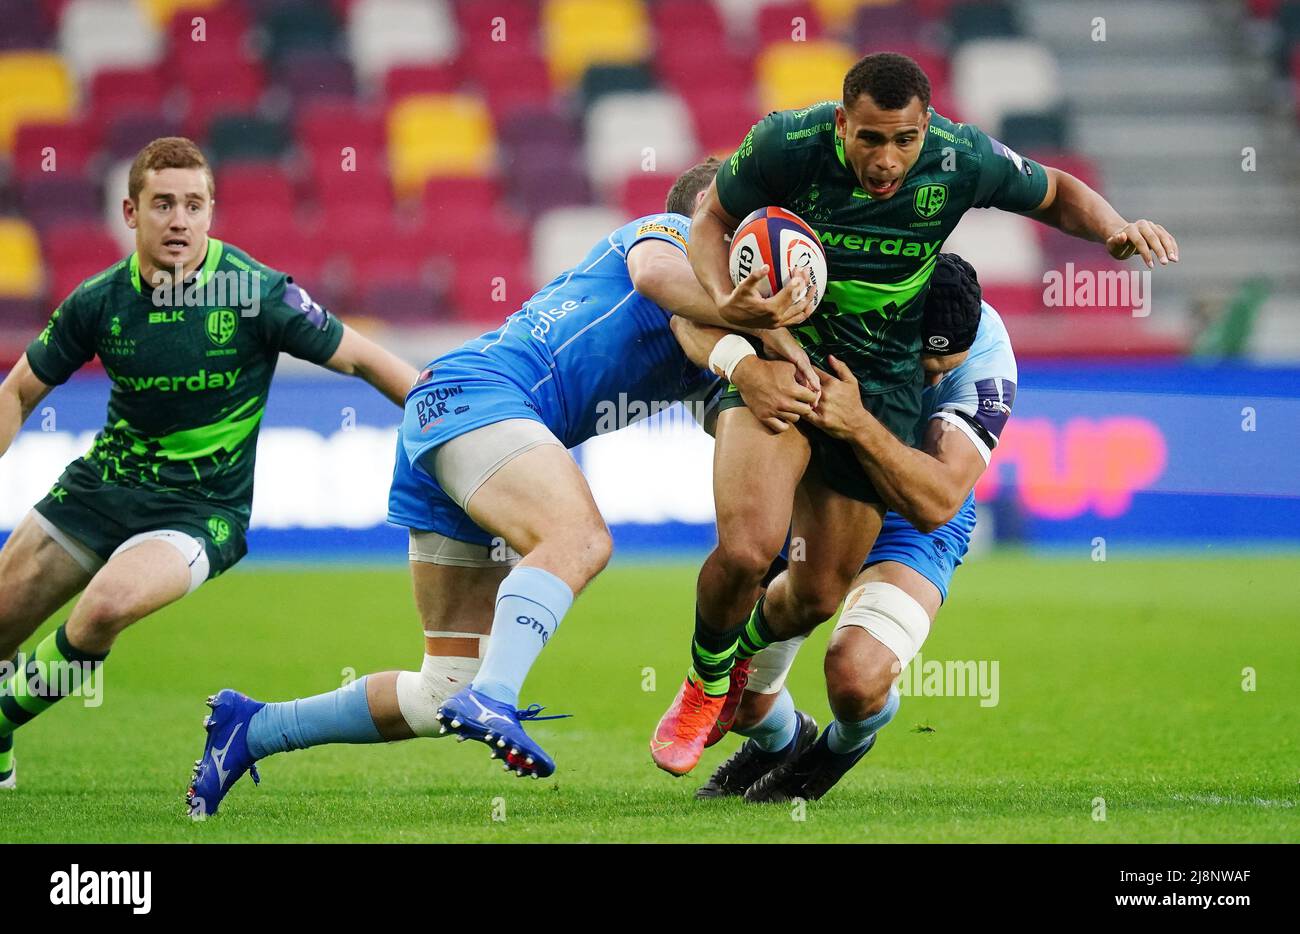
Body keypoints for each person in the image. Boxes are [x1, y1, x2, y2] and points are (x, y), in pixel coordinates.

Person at [186, 158, 818, 816]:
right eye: (734, 228)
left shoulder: (713, 342)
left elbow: (731, 420)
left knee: (441, 689)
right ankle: (496, 697)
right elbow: (654, 275)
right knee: (578, 539)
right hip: (481, 398)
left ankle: (250, 728)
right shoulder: (663, 235)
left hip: (465, 426)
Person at [651, 51, 1179, 776]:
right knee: (747, 549)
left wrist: (1113, 228)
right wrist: (728, 299)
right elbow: (711, 217)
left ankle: (770, 698)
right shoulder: (786, 144)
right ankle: (704, 685)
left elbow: (1053, 191)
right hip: (783, 358)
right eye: (870, 138)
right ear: (842, 122)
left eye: (903, 139)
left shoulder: (959, 161)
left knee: (816, 593)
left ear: (925, 126)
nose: (887, 159)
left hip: (877, 391)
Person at [0, 137, 417, 791]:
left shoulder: (254, 292)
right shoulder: (99, 301)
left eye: (194, 205)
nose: (179, 220)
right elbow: (20, 390)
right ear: (130, 212)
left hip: (202, 511)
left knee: (105, 607)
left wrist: (446, 417)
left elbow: (365, 358)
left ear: (211, 213)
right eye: (162, 204)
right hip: (102, 487)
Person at [698, 254, 1017, 802]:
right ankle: (781, 740)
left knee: (855, 680)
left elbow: (937, 500)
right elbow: (696, 316)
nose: (930, 379)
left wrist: (859, 422)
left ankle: (843, 745)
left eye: (944, 370)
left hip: (908, 510)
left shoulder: (987, 356)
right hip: (820, 498)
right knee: (744, 704)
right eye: (923, 364)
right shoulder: (835, 305)